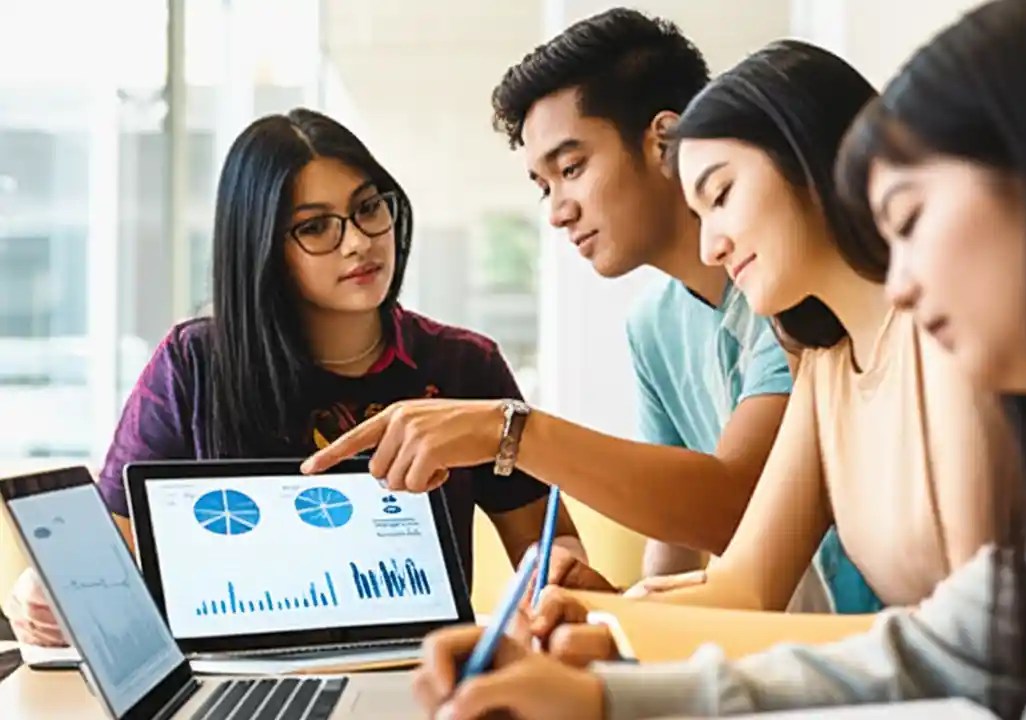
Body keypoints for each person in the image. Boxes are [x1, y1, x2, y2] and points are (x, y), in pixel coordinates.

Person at [408, 1, 1026, 717]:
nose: (900, 280)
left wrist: (511, 438)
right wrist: (600, 682)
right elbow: (938, 646)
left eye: (906, 218)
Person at [301, 8, 865, 610]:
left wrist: (506, 430)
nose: (558, 210)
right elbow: (682, 559)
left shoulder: (790, 302)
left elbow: (736, 504)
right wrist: (609, 604)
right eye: (544, 186)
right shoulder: (654, 327)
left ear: (664, 141)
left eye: (572, 169)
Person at [2, 108, 583, 647]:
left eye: (369, 208)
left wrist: (561, 579)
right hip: (230, 674)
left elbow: (548, 549)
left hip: (417, 674)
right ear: (263, 247)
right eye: (315, 227)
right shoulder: (194, 365)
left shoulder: (462, 366)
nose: (357, 241)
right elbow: (105, 560)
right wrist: (48, 593)